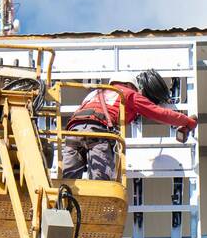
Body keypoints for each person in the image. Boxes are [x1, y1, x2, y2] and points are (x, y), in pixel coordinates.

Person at [60, 70, 198, 181]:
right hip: (98, 132)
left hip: (73, 131)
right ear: (131, 85)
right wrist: (187, 121)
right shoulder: (127, 93)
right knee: (100, 181)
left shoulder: (94, 93)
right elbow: (158, 113)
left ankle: (64, 208)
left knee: (68, 180)